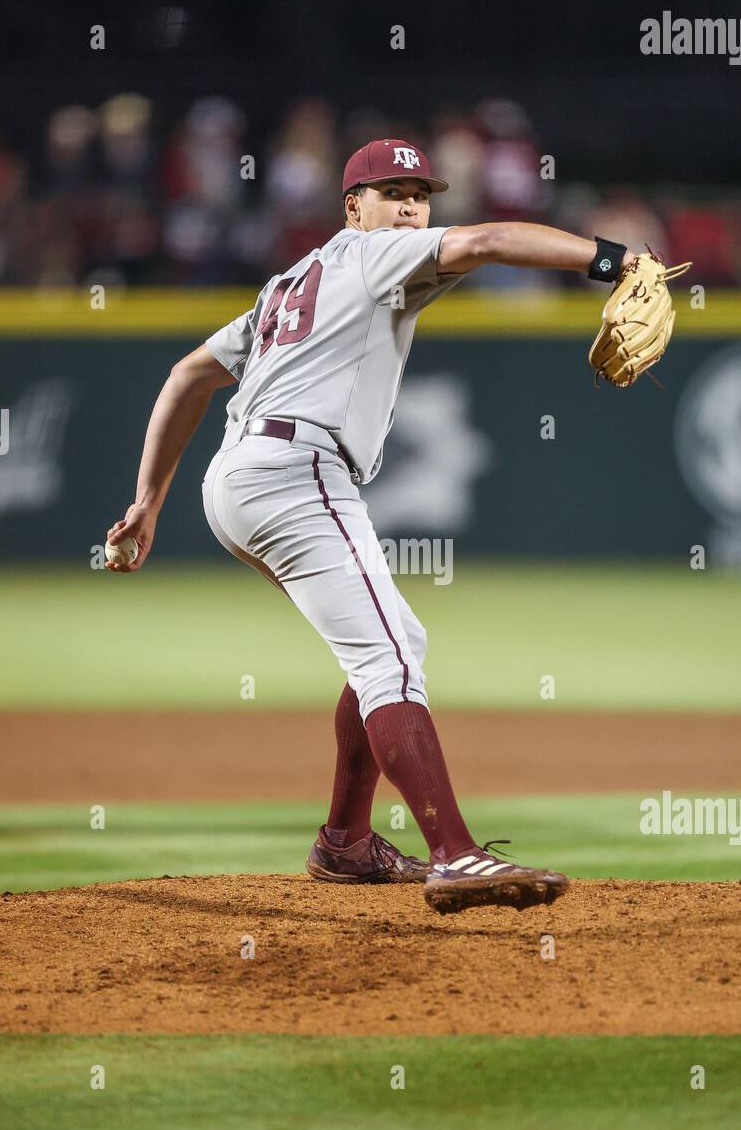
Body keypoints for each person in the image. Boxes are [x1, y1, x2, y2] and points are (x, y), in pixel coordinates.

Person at [106, 137, 636, 914]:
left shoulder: (294, 281)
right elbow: (488, 240)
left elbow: (189, 374)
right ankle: (454, 855)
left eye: (420, 192)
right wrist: (610, 258)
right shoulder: (373, 254)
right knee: (391, 658)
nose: (410, 205)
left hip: (238, 481)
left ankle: (347, 843)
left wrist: (149, 498)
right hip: (295, 473)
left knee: (388, 648)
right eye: (391, 191)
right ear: (352, 206)